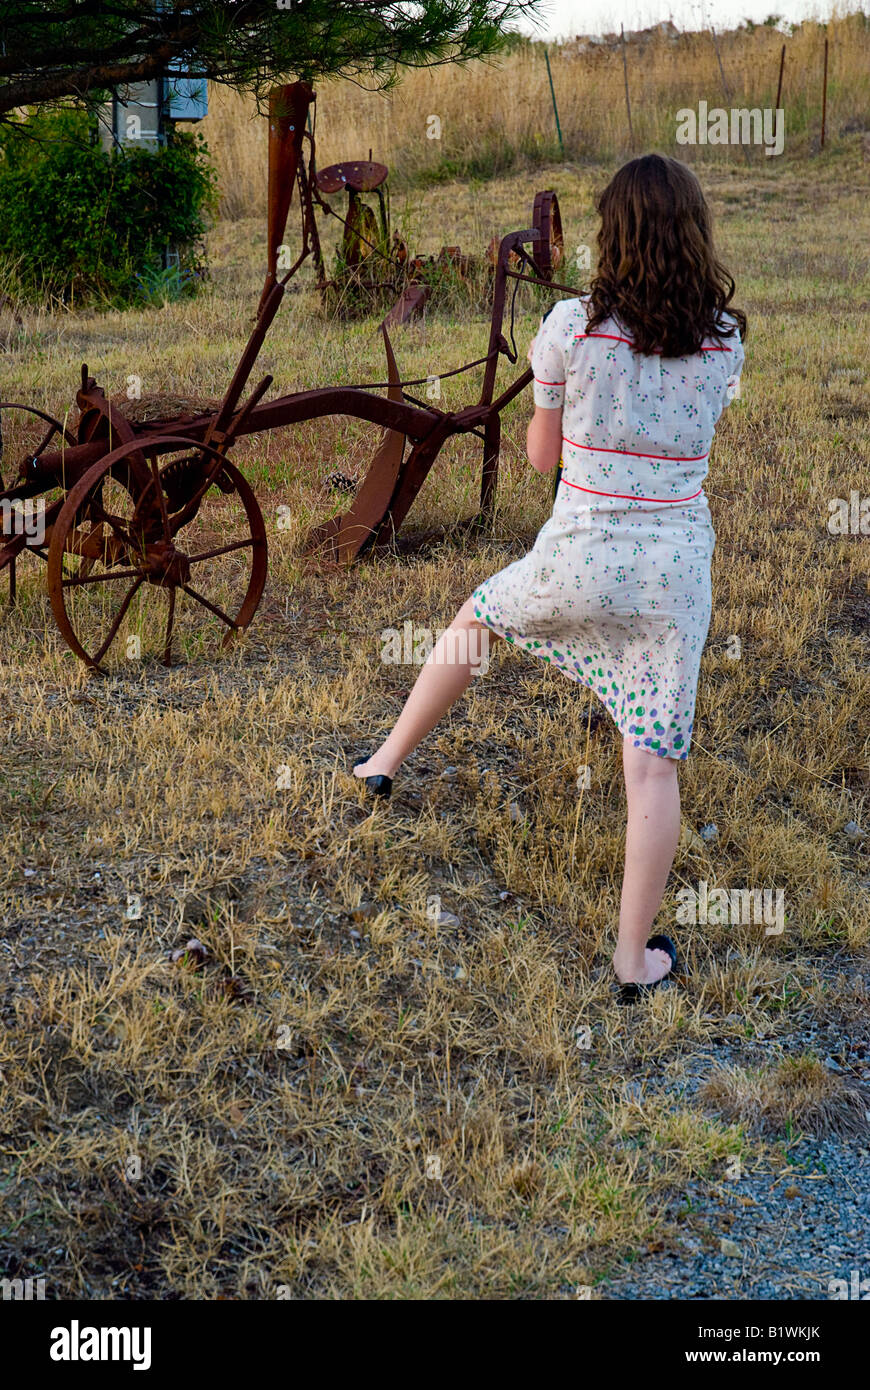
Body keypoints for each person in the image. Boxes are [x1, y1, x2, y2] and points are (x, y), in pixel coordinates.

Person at [353, 153, 746, 1001]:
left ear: (612, 236)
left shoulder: (570, 329)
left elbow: (540, 459)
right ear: (695, 235)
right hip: (672, 573)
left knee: (481, 614)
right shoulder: (724, 339)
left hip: (577, 559)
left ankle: (382, 761)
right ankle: (632, 962)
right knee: (651, 767)